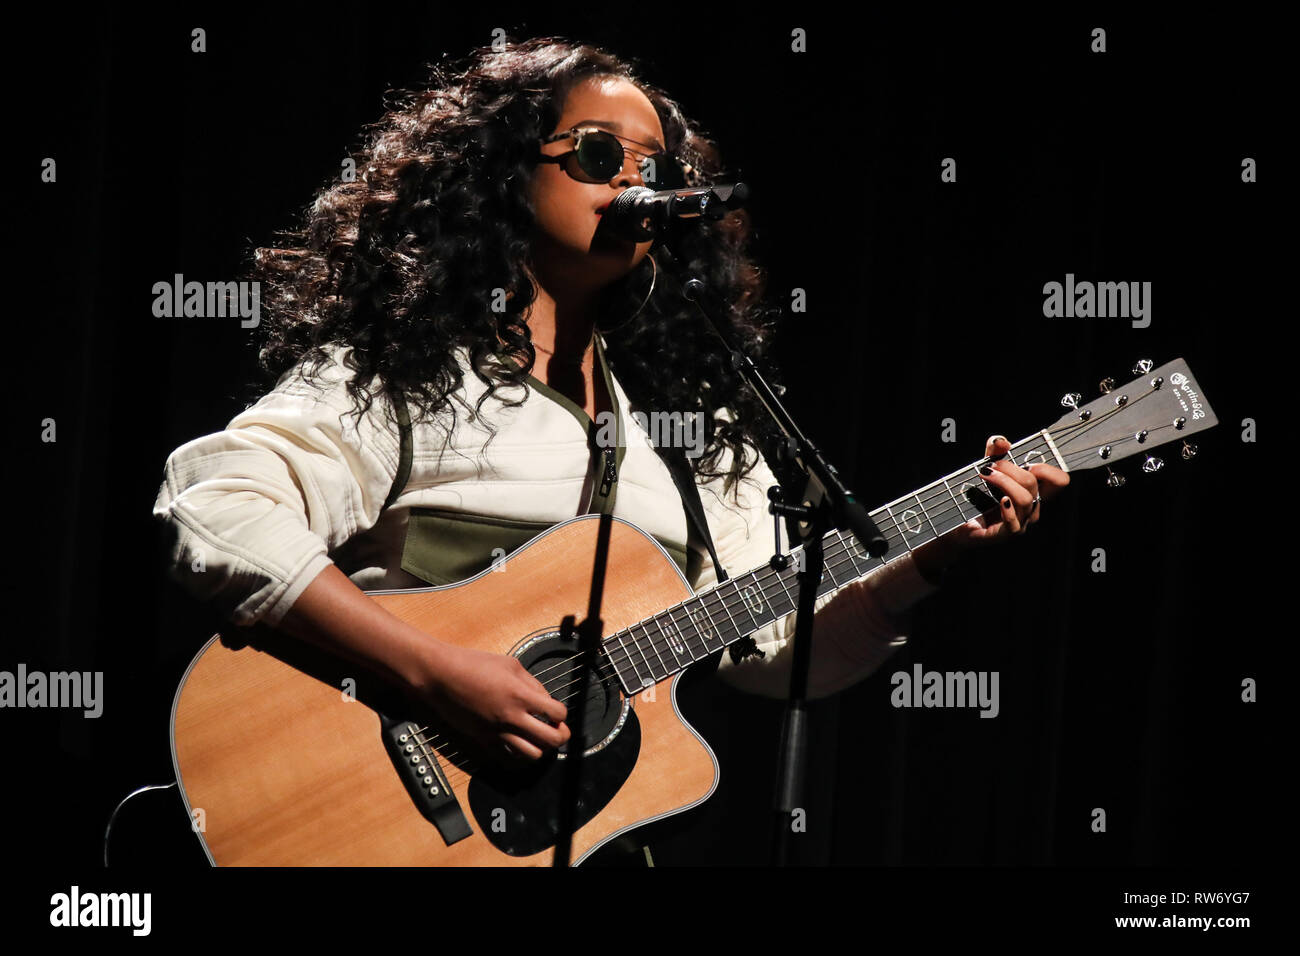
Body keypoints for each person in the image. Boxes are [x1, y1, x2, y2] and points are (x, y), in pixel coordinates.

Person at [151, 37, 1067, 862]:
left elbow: (776, 650)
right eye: (596, 154)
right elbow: (215, 511)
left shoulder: (695, 435)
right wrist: (435, 673)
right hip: (368, 801)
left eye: (653, 166)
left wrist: (931, 560)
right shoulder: (405, 376)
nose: (634, 181)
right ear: (503, 176)